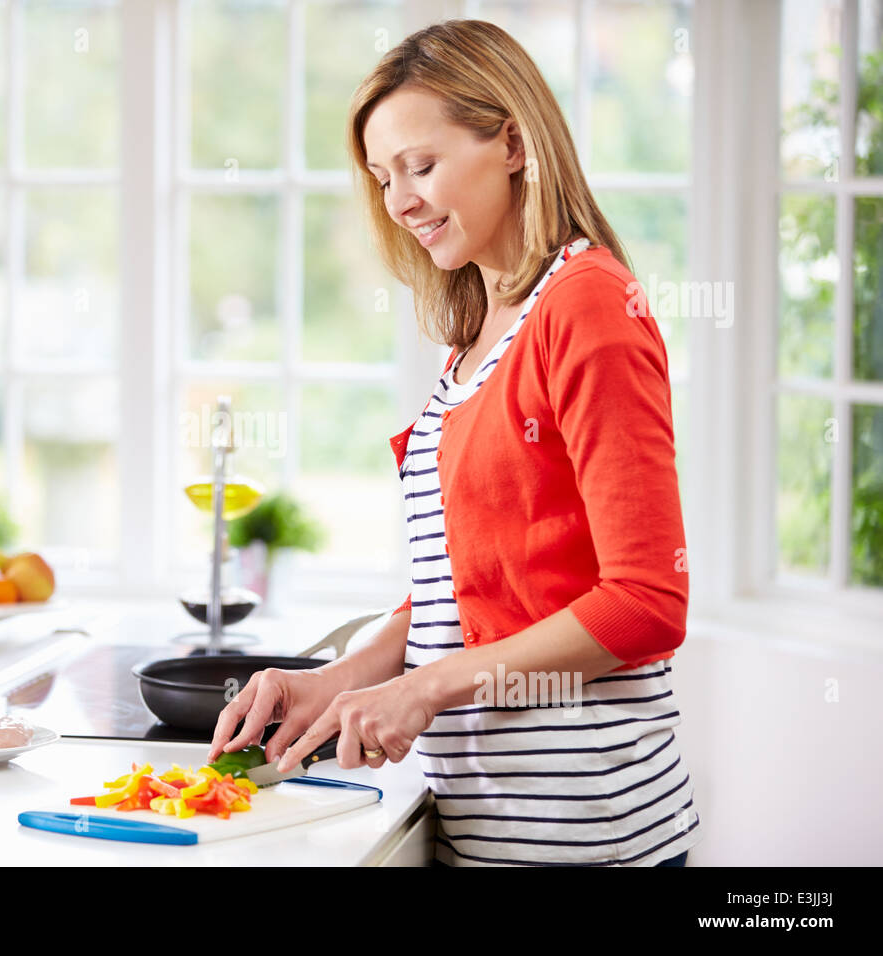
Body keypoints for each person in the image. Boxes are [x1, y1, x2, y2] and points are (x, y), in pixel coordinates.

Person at [207, 19, 701, 867]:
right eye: (382, 177)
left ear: (512, 142)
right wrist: (340, 679)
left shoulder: (583, 306)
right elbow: (467, 586)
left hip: (582, 837)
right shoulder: (479, 333)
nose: (399, 201)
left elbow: (649, 599)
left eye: (421, 166)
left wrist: (426, 688)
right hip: (485, 829)